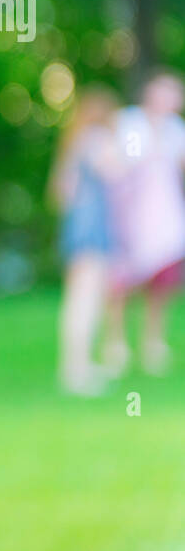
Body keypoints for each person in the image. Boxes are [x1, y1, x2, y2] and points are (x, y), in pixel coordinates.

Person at [103, 69, 185, 378]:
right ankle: (116, 344)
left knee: (161, 287)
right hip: (131, 216)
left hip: (166, 219)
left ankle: (153, 344)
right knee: (121, 284)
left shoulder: (176, 129)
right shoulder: (130, 122)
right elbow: (118, 163)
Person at [47, 85, 121, 395]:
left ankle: (77, 366)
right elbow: (115, 172)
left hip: (76, 227)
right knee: (85, 300)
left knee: (77, 298)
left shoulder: (73, 143)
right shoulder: (96, 139)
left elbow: (58, 195)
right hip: (93, 229)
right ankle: (76, 372)